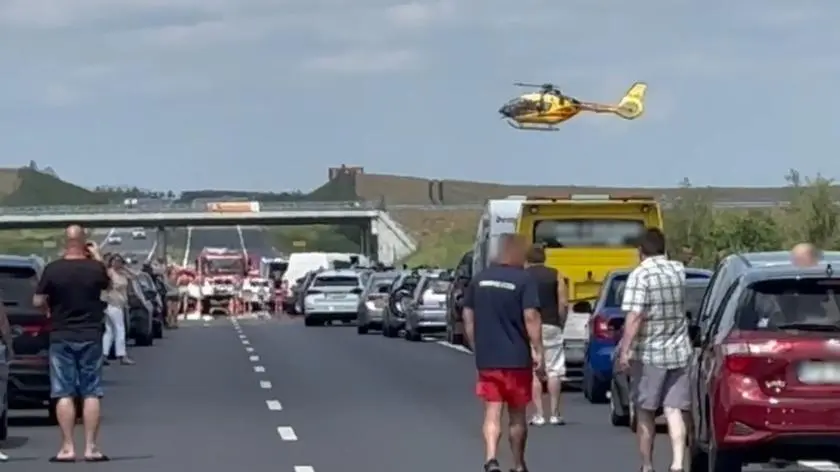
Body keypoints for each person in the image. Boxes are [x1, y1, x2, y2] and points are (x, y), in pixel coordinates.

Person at [462, 233, 544, 472]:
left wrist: (474, 341)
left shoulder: (480, 279)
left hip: (488, 358)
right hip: (517, 358)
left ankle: (490, 459)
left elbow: (468, 314)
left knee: (492, 409)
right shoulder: (524, 280)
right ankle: (518, 464)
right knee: (517, 414)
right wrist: (538, 349)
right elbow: (531, 316)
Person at [33, 225, 111, 462]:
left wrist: (49, 310)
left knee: (63, 390)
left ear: (65, 242)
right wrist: (98, 257)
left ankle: (67, 448)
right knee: (91, 391)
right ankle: (91, 447)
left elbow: (37, 301)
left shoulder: (52, 269)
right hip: (90, 334)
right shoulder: (95, 268)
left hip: (61, 334)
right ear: (85, 242)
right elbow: (109, 285)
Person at [618, 228, 689, 472]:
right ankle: (678, 463)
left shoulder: (641, 275)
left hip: (650, 352)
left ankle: (647, 465)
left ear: (640, 251)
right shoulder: (678, 270)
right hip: (679, 350)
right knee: (673, 408)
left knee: (645, 411)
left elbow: (635, 315)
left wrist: (625, 349)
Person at [523, 244, 567, 426]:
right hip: (552, 324)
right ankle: (555, 413)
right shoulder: (556, 275)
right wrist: (560, 322)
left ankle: (539, 414)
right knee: (554, 370)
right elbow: (563, 303)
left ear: (527, 259)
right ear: (544, 257)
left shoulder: (523, 277)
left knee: (534, 370)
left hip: (529, 326)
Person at [102, 254, 134, 366]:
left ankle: (104, 354)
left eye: (119, 261)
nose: (117, 263)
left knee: (109, 331)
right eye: (115, 261)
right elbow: (105, 286)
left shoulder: (122, 273)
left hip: (120, 304)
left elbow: (135, 276)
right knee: (120, 329)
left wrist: (125, 268)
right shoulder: (110, 273)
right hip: (112, 303)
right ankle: (122, 355)